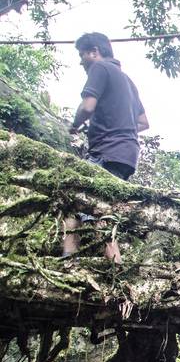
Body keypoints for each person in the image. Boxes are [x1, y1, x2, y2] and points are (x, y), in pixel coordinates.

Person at [63, 32, 149, 261]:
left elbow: (87, 107)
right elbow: (143, 123)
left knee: (72, 199)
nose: (81, 61)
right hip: (126, 156)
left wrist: (74, 126)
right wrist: (114, 125)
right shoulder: (128, 81)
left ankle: (69, 261)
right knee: (101, 207)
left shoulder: (99, 68)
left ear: (94, 52)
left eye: (82, 55)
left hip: (106, 152)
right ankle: (114, 265)